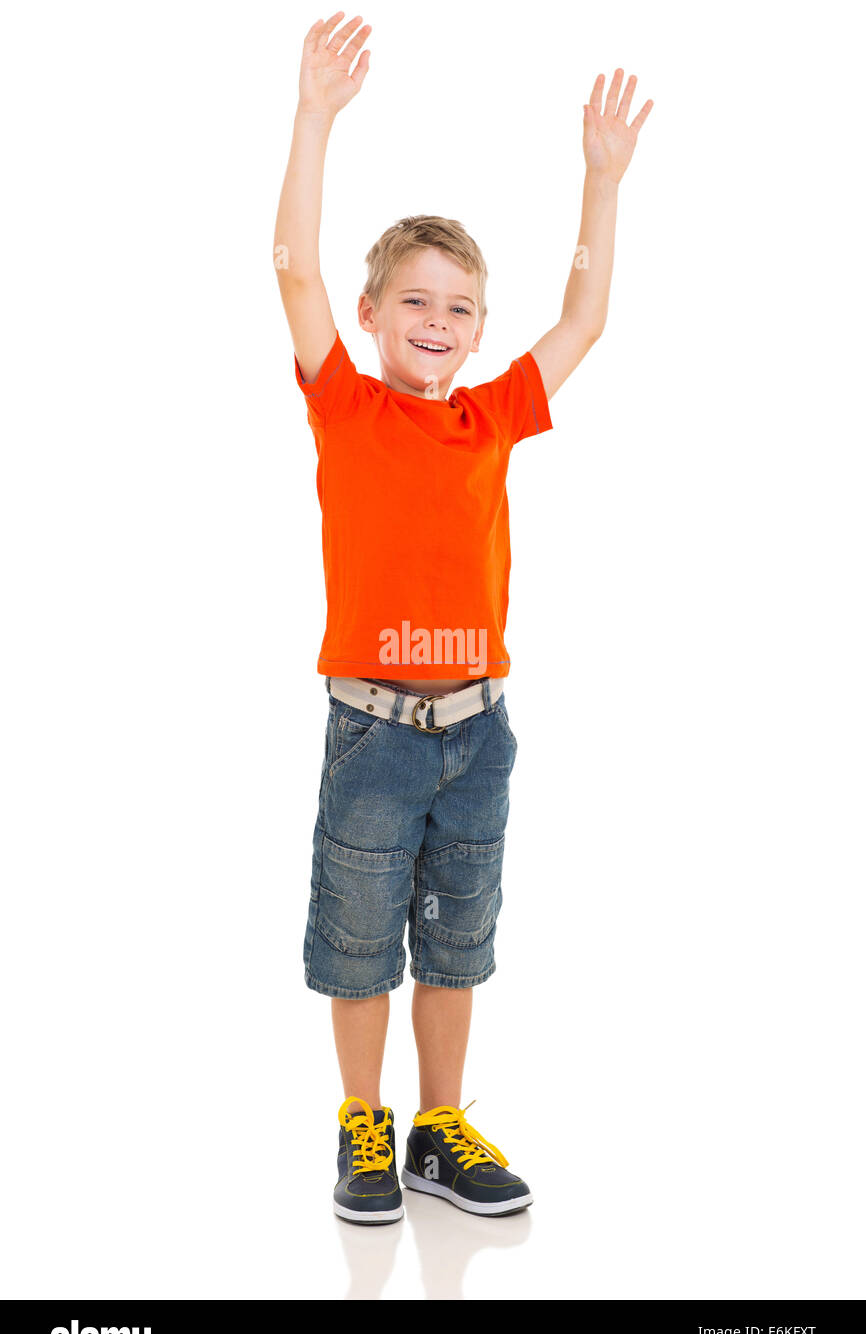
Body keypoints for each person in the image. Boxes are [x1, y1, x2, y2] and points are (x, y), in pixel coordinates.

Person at [273, 11, 652, 1224]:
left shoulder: (486, 416)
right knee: (357, 942)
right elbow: (291, 269)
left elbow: (583, 321)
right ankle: (364, 1125)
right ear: (377, 316)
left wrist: (597, 187)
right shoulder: (345, 405)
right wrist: (316, 117)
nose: (437, 322)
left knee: (454, 940)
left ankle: (438, 1124)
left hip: (477, 734)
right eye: (414, 303)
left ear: (478, 330)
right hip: (375, 734)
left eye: (459, 307)